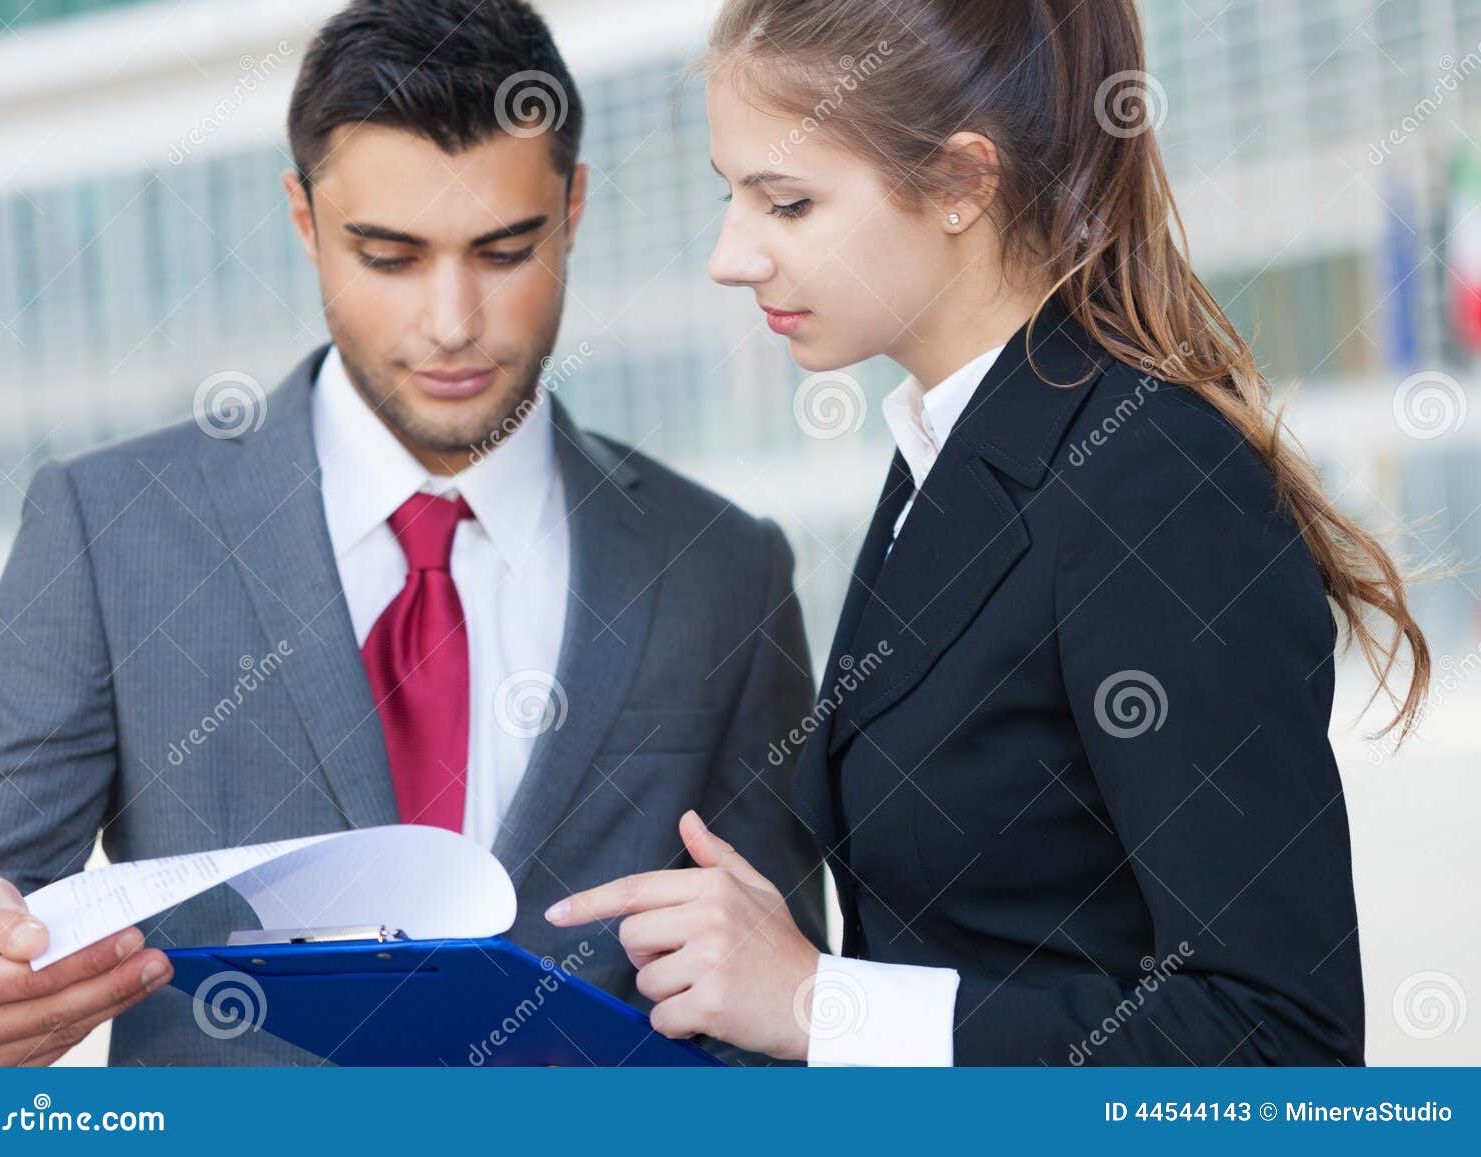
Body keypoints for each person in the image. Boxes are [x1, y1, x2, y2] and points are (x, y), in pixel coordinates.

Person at [0, 0, 824, 1068]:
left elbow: (772, 1017)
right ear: (304, 220)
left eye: (504, 250)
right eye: (389, 256)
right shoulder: (112, 531)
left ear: (573, 208)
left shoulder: (722, 566)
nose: (452, 322)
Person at [547, 0, 1431, 1066]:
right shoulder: (948, 447)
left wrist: (823, 1001)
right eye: (728, 193)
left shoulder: (1154, 482)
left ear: (963, 182)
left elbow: (1277, 1045)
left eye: (786, 203)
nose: (730, 257)